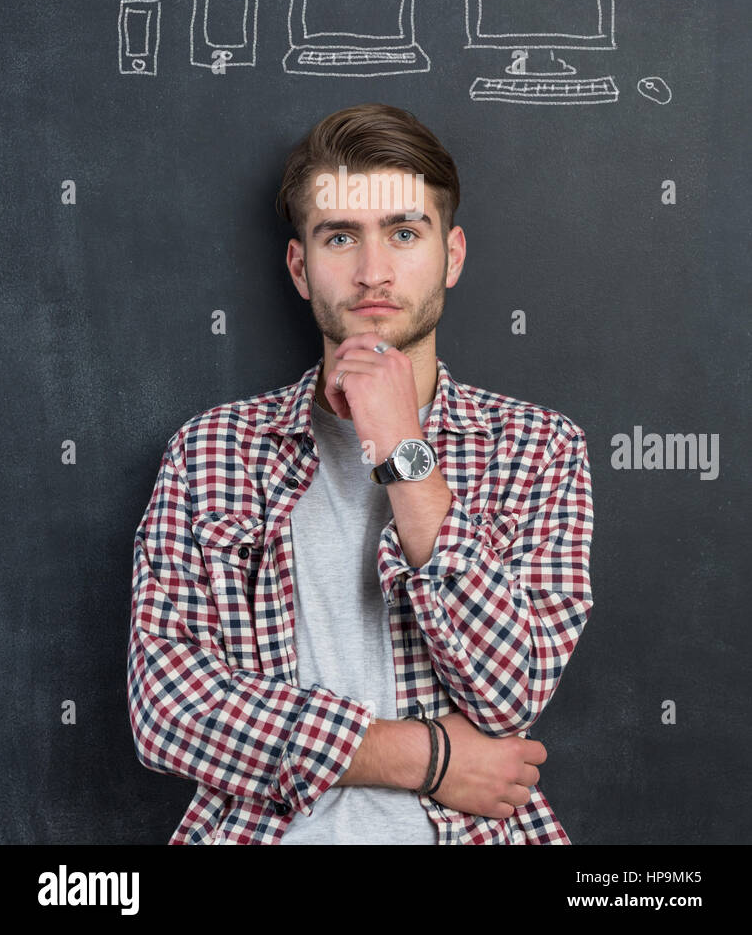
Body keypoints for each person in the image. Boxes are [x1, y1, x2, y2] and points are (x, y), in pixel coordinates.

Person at [127, 102, 593, 845]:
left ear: (453, 255)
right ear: (300, 266)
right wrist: (424, 755)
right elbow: (168, 711)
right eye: (340, 236)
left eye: (404, 233)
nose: (374, 272)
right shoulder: (210, 450)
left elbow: (511, 694)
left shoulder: (538, 447)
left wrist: (402, 445)